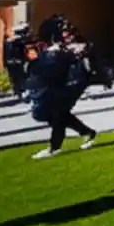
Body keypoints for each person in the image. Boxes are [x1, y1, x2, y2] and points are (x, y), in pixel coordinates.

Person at [27, 16, 97, 159]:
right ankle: (87, 133)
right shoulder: (56, 49)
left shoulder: (71, 47)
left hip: (67, 85)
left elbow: (81, 54)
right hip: (57, 86)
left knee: (58, 115)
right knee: (58, 115)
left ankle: (55, 147)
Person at [3, 22, 31, 101]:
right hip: (17, 62)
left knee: (15, 78)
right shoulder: (18, 40)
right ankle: (20, 93)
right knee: (20, 78)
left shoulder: (9, 40)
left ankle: (17, 92)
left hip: (11, 62)